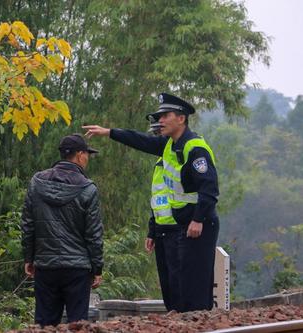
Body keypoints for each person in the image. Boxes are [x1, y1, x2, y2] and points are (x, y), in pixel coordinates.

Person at [83, 93, 219, 312]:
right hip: (182, 224)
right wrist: (109, 132)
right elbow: (140, 140)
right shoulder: (169, 146)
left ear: (181, 118)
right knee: (178, 288)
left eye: (165, 115)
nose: (160, 120)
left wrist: (198, 219)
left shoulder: (194, 148)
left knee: (193, 288)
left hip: (199, 225)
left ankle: (200, 326)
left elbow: (210, 189)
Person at [21, 133, 104, 327]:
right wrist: (97, 267)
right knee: (77, 325)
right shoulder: (87, 188)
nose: (88, 159)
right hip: (77, 269)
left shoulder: (36, 183)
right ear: (80, 155)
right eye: (87, 154)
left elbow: (28, 224)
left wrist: (29, 257)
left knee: (44, 325)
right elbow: (94, 234)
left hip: (46, 266)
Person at [145, 117, 181, 312]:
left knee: (178, 279)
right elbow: (157, 199)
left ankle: (181, 317)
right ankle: (172, 314)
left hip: (178, 229)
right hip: (162, 230)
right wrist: (152, 231)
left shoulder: (177, 158)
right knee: (166, 280)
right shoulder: (160, 163)